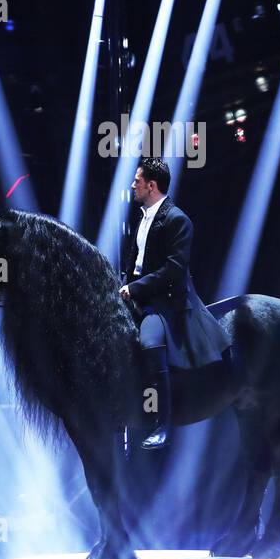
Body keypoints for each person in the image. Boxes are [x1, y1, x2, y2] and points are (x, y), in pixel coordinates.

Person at [119, 157, 229, 449]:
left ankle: (162, 423)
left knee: (149, 342)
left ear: (151, 185)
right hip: (140, 295)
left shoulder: (177, 219)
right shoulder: (142, 217)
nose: (132, 185)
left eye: (137, 180)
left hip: (165, 302)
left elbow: (173, 271)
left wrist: (134, 288)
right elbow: (137, 266)